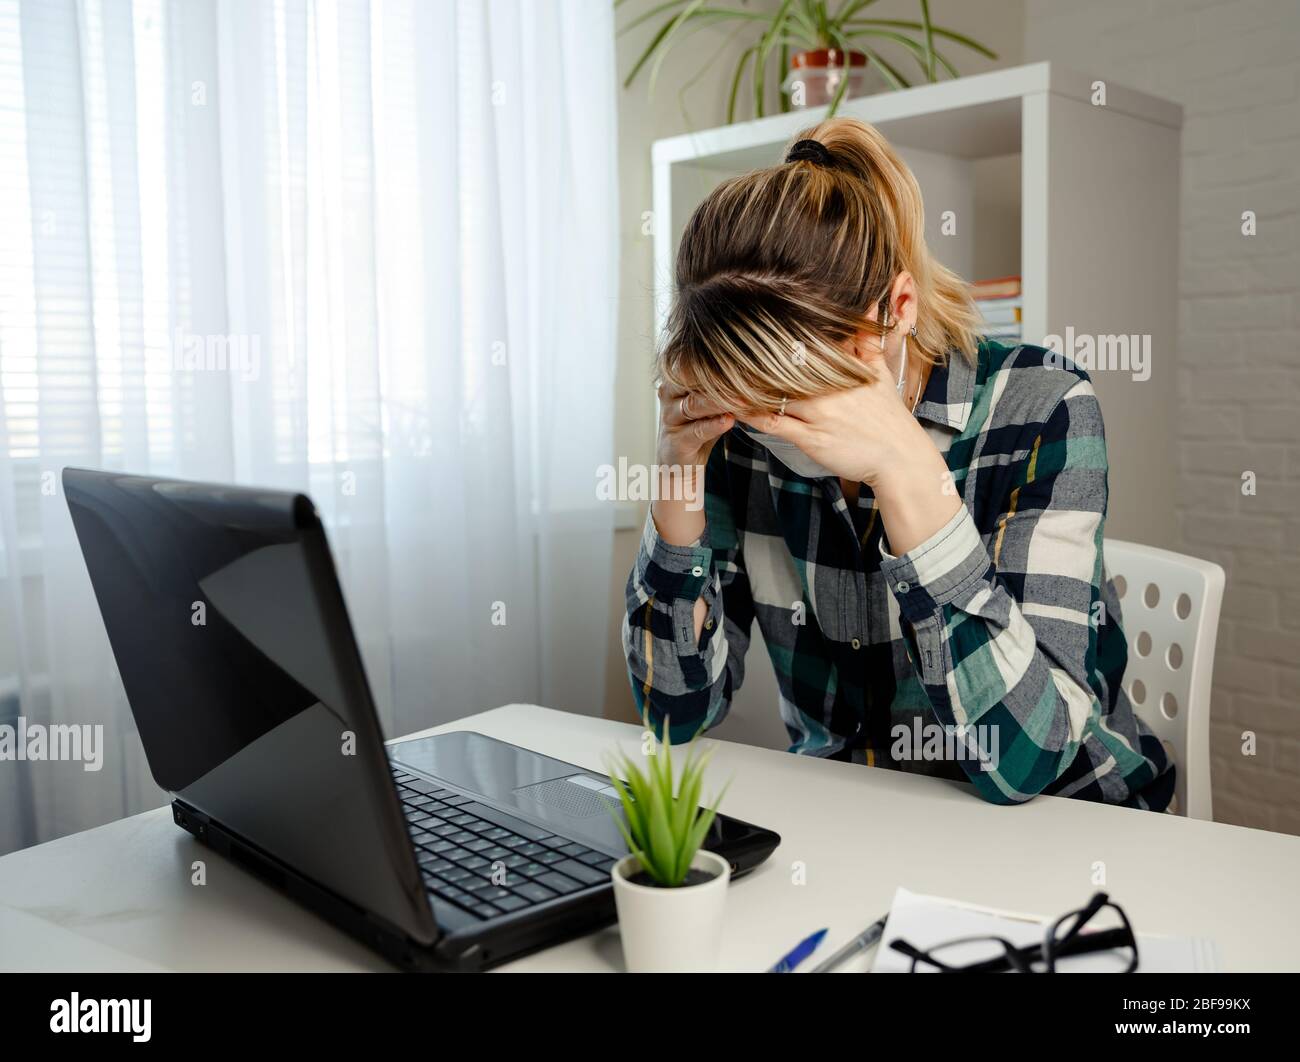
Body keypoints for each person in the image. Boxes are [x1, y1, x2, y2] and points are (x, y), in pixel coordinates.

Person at [622, 117, 1174, 810]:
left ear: (898, 309)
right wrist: (678, 476)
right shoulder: (733, 428)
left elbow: (1029, 762)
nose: (774, 425)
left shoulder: (1043, 406)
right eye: (749, 395)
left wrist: (908, 470)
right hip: (865, 823)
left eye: (797, 391)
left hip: (1075, 823)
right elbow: (674, 710)